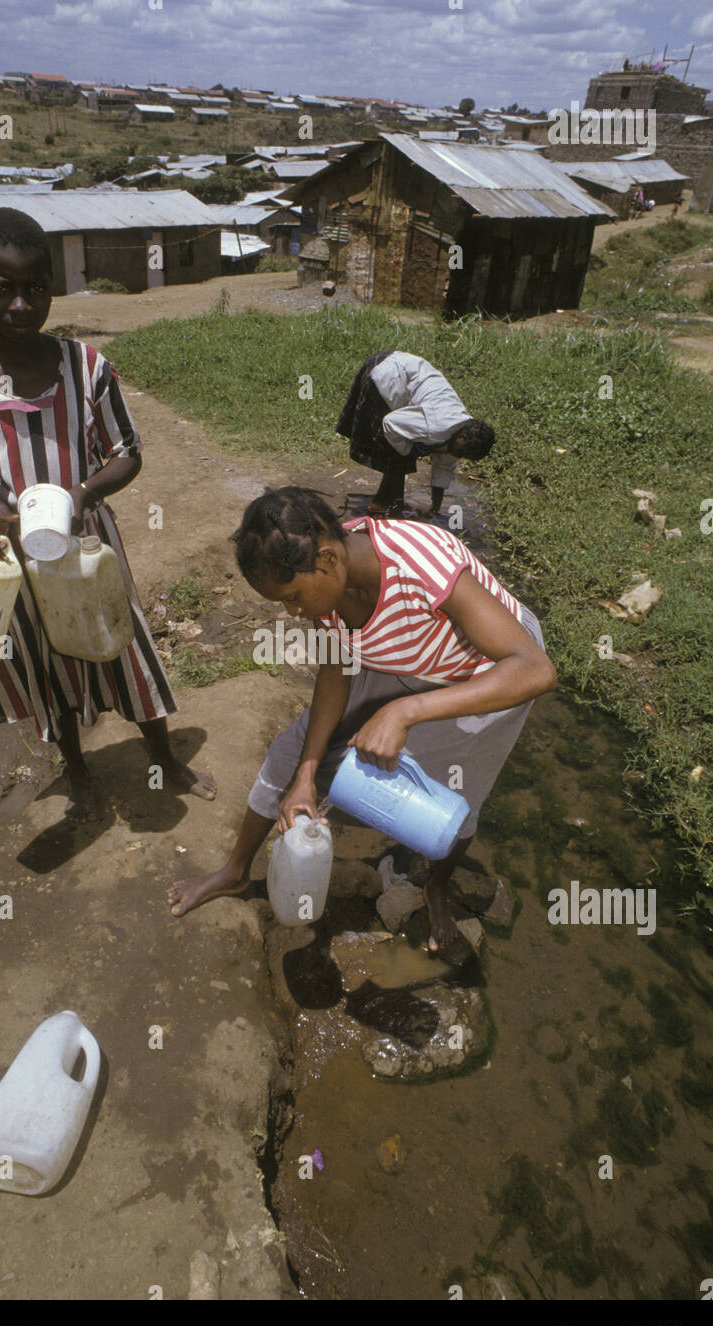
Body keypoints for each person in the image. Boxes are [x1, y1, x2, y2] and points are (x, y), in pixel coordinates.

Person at [168, 486, 556, 961]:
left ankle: (437, 885)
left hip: (488, 673)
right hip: (399, 653)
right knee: (290, 756)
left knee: (454, 801)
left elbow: (534, 670)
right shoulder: (325, 585)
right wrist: (307, 777)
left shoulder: (423, 564)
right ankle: (234, 870)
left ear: (328, 558)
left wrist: (402, 711)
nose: (293, 612)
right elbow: (336, 670)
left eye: (292, 597)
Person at [0, 207, 216, 819]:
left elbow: (127, 453)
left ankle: (164, 756)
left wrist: (82, 496)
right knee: (45, 657)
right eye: (2, 288)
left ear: (50, 286)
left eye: (35, 287)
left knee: (123, 641)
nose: (21, 305)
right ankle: (78, 770)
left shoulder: (86, 368)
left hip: (88, 544)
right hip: (13, 558)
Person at [335, 349, 495, 519]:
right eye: (462, 453)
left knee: (404, 451)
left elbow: (444, 464)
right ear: (462, 438)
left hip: (401, 366)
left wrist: (436, 504)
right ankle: (381, 505)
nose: (459, 456)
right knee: (400, 452)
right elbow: (391, 423)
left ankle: (394, 501)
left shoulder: (462, 428)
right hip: (386, 373)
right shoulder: (437, 425)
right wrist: (407, 452)